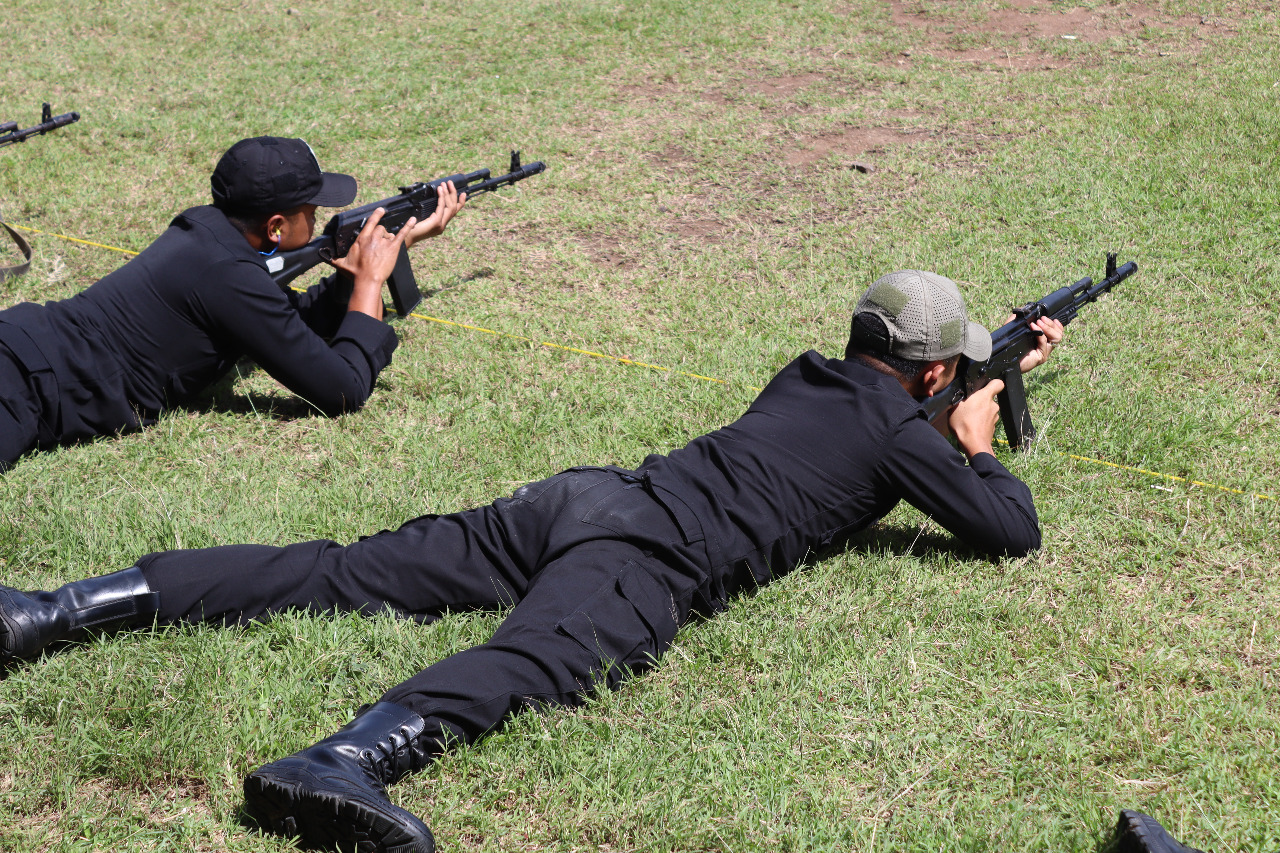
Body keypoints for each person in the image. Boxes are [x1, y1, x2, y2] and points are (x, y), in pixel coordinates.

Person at [0, 270, 1063, 852]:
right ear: (929, 372)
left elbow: (884, 411)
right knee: (534, 660)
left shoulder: (809, 375)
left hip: (583, 495)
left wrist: (974, 387)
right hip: (648, 553)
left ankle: (56, 609)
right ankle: (342, 763)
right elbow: (1007, 533)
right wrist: (970, 440)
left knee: (339, 568)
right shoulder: (904, 434)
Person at [0, 136, 467, 469]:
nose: (319, 219)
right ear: (277, 226)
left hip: (22, 344)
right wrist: (369, 283)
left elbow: (285, 322)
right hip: (26, 386)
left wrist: (390, 246)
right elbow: (341, 388)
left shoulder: (204, 230)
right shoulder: (229, 276)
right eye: (312, 212)